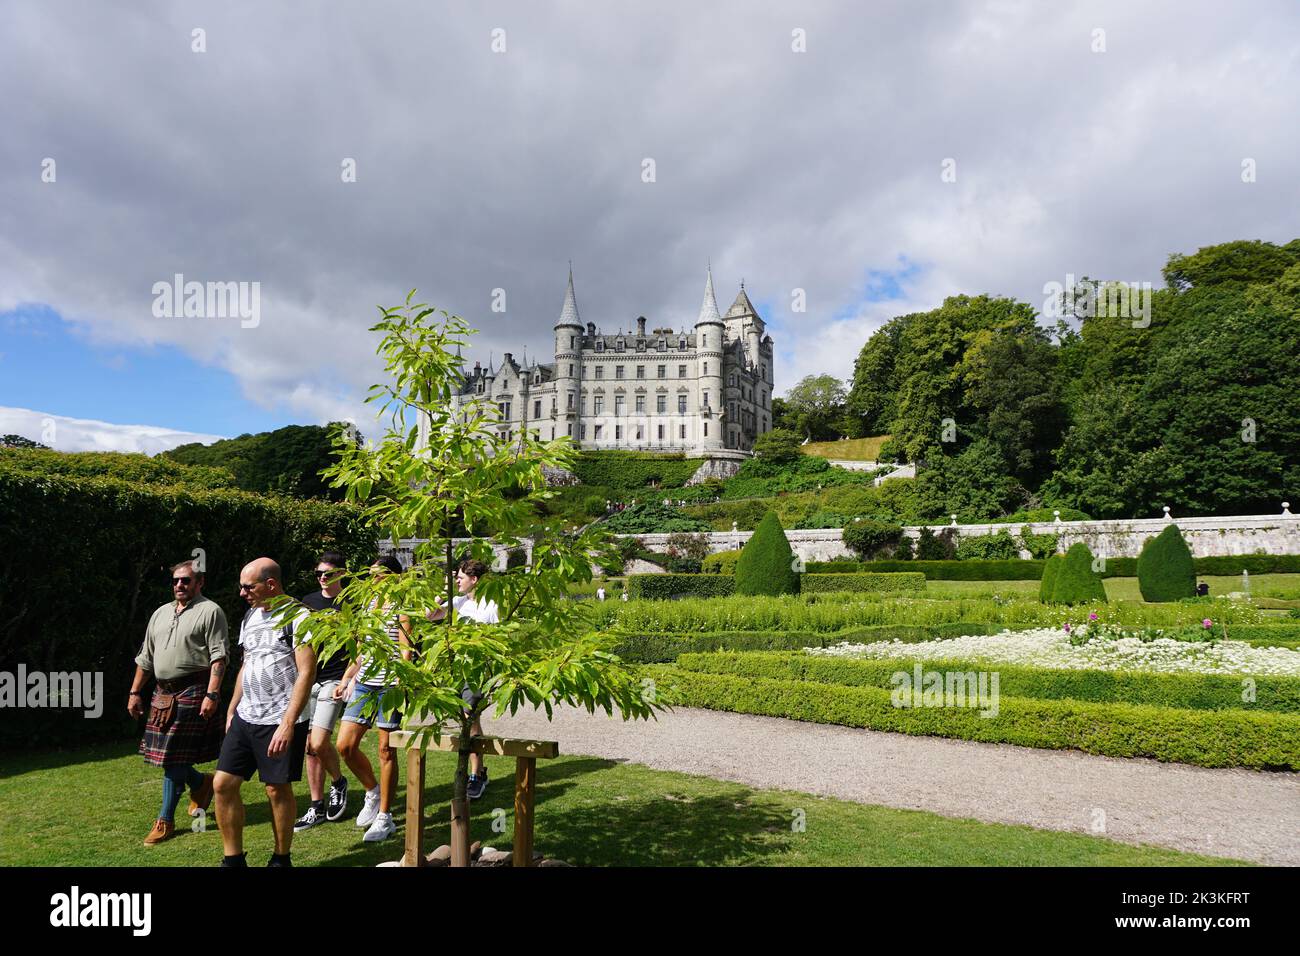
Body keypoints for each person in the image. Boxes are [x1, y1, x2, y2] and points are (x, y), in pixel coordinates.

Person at [213, 558, 315, 867]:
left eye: (248, 586)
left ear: (271, 585)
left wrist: (287, 724)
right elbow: (247, 664)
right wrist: (232, 709)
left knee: (275, 788)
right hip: (246, 716)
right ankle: (233, 860)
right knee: (222, 784)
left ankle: (281, 858)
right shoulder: (250, 617)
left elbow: (306, 673)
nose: (242, 593)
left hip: (280, 718)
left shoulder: (299, 617)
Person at [130, 559, 228, 845]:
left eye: (186, 580)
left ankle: (165, 821)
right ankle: (200, 783)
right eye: (175, 581)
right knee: (170, 756)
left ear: (199, 583)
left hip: (193, 690)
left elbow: (219, 656)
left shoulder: (211, 611)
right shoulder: (160, 613)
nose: (179, 585)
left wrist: (212, 693)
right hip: (162, 693)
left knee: (173, 756)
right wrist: (135, 692)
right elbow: (145, 657)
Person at [334, 554, 411, 843]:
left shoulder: (402, 604)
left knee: (386, 750)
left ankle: (385, 817)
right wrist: (346, 677)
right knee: (344, 746)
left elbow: (406, 643)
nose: (374, 579)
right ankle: (372, 791)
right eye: (372, 574)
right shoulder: (367, 605)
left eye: (379, 574)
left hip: (390, 685)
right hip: (365, 682)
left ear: (393, 576)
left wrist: (402, 676)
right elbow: (360, 649)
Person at [427, 558, 500, 800]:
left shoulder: (491, 605)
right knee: (470, 720)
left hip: (478, 668)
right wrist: (445, 591)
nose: (457, 580)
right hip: (456, 668)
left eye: (460, 576)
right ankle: (478, 772)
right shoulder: (457, 602)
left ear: (474, 579)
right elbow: (429, 615)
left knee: (469, 717)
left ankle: (474, 775)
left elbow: (500, 640)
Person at [294, 552, 352, 831]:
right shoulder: (308, 602)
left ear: (341, 574)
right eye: (318, 574)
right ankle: (316, 806)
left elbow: (361, 645)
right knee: (308, 747)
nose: (323, 578)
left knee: (318, 742)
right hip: (310, 680)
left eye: (328, 573)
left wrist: (348, 678)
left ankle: (339, 782)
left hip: (334, 680)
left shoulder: (351, 603)